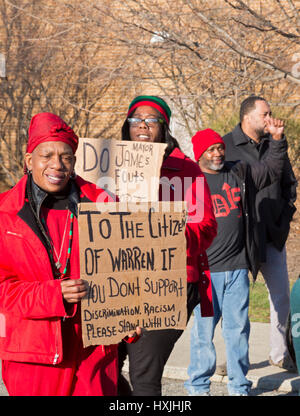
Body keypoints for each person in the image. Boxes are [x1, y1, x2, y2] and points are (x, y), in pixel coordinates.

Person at [0, 112, 122, 396]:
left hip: (94, 348)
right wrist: (54, 295)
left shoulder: (105, 205)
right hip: (33, 353)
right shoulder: (4, 214)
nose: (57, 164)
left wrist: (131, 315)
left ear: (75, 163)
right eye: (47, 155)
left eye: (66, 157)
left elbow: (126, 270)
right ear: (29, 160)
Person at [117, 95, 218, 396]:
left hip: (169, 282)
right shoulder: (110, 167)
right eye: (137, 120)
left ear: (164, 128)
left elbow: (208, 227)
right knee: (102, 368)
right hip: (117, 282)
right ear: (127, 127)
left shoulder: (187, 170)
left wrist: (169, 233)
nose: (144, 125)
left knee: (144, 373)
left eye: (153, 120)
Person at [184, 126, 288, 396]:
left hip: (237, 269)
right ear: (199, 154)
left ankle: (239, 386)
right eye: (211, 149)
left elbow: (270, 170)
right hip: (206, 273)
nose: (218, 153)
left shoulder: (238, 171)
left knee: (239, 330)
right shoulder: (191, 181)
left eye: (220, 148)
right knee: (203, 334)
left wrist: (277, 140)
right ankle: (197, 387)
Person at [223, 96, 298, 372]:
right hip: (240, 239)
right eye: (265, 114)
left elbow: (289, 182)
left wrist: (283, 215)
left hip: (272, 234)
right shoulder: (226, 147)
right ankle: (235, 358)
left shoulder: (274, 143)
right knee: (236, 304)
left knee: (280, 298)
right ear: (248, 117)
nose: (270, 118)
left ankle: (279, 354)